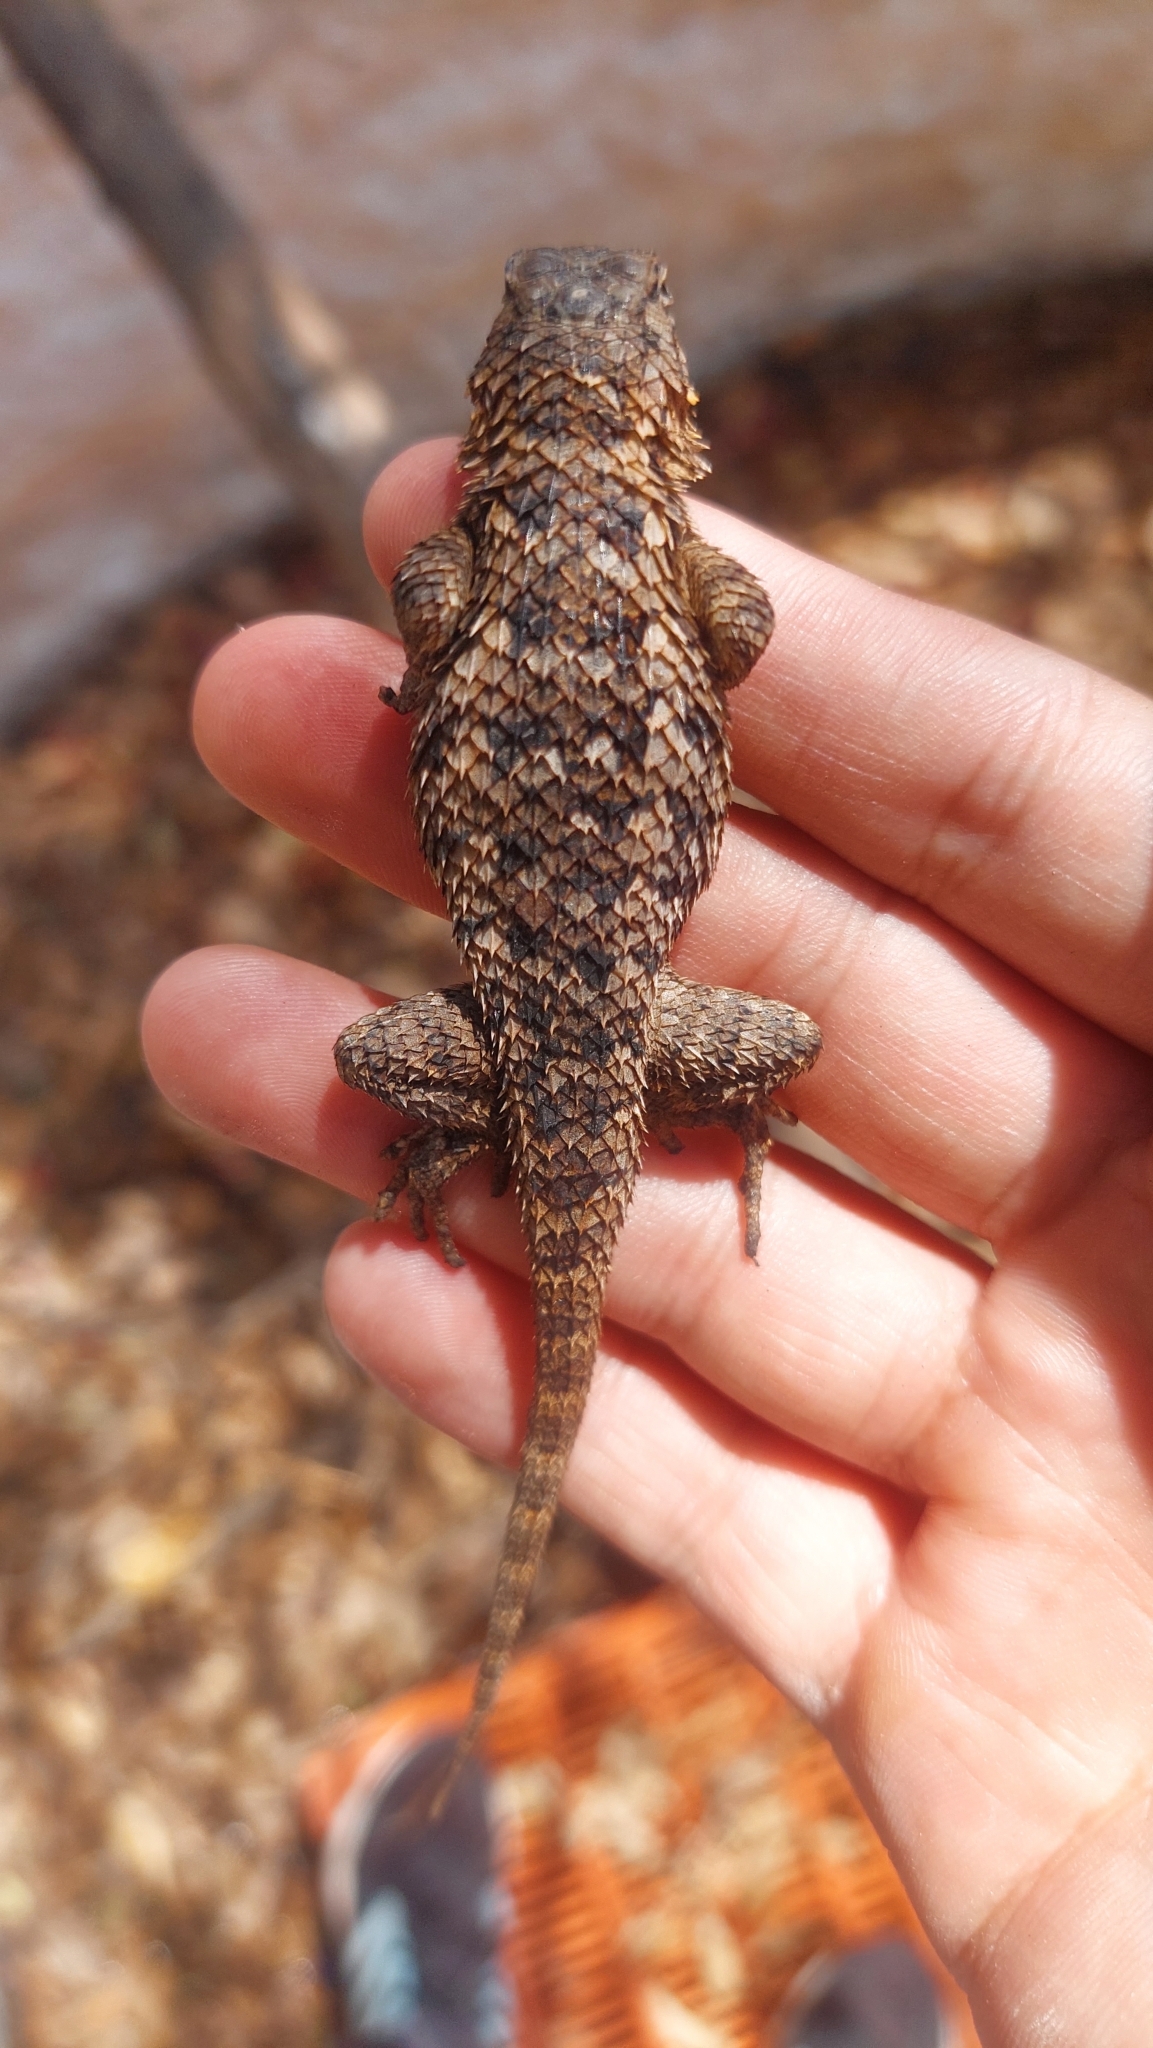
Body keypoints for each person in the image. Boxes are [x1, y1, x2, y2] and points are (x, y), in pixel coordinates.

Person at [142, 437, 1153, 2048]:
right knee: (777, 1040)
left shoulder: (463, 554)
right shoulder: (676, 554)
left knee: (362, 1066)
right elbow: (739, 629)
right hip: (634, 1017)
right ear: (651, 400)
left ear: (504, 404)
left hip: (531, 1013)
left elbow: (430, 593)